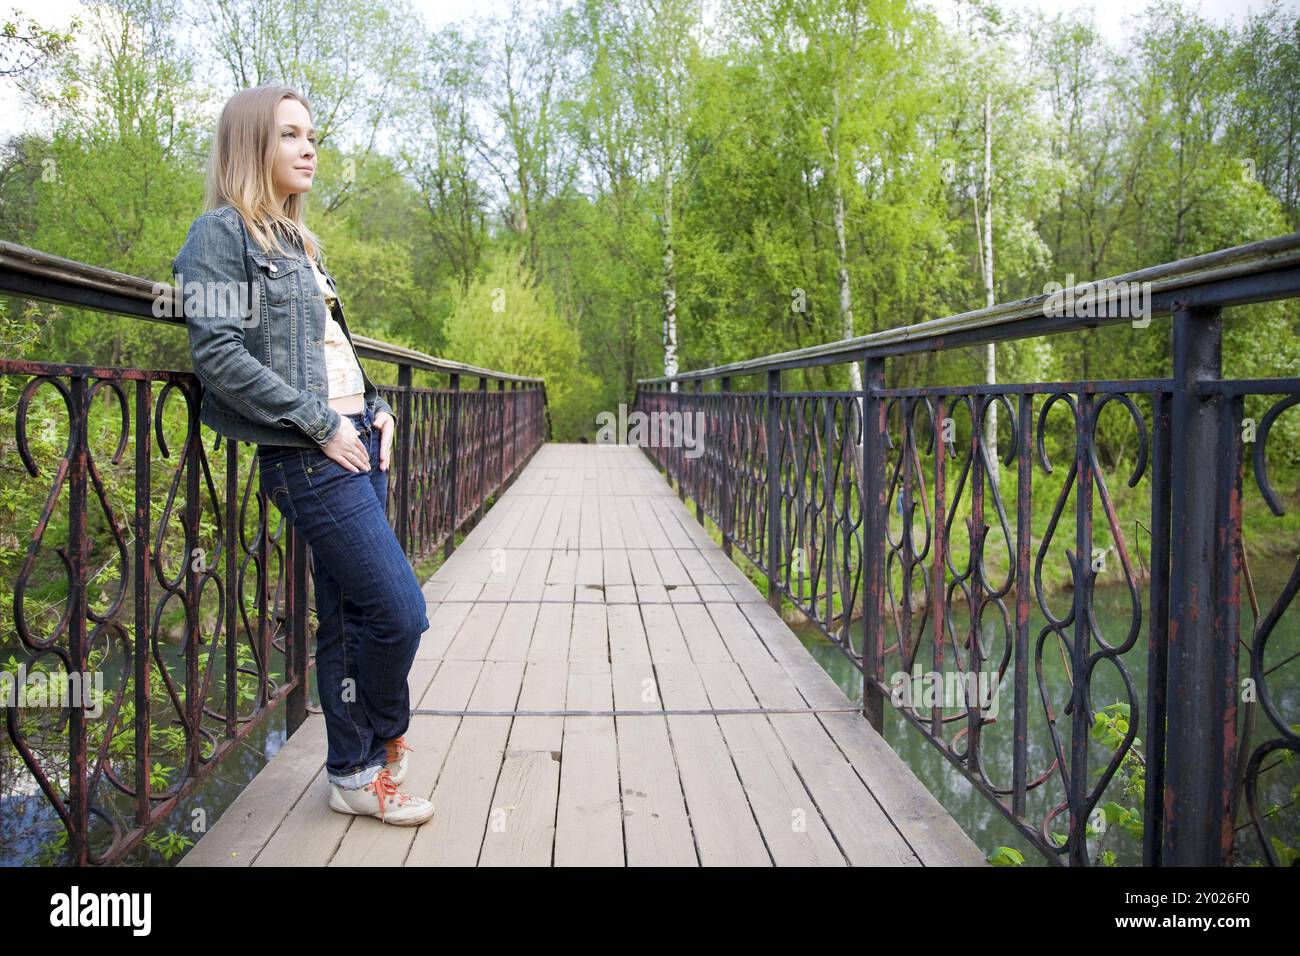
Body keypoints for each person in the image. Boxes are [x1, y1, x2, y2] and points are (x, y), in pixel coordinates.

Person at [172, 84, 434, 826]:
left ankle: (349, 775)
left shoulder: (297, 243)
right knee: (401, 613)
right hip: (310, 457)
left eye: (312, 134)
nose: (310, 148)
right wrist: (321, 424)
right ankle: (388, 745)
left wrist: (377, 408)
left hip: (356, 445)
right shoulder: (220, 236)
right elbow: (218, 355)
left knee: (349, 619)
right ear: (253, 145)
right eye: (290, 135)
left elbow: (334, 352)